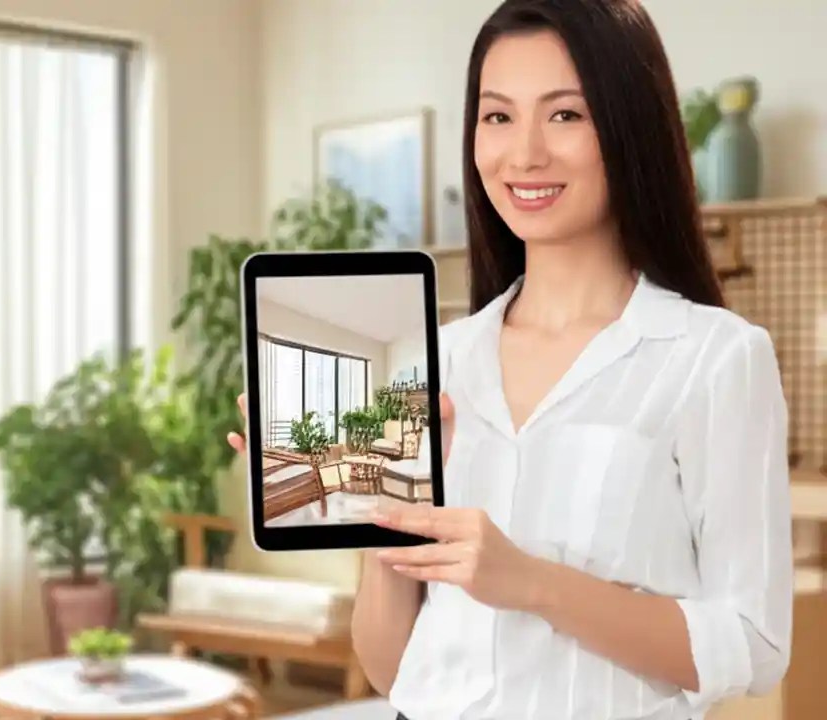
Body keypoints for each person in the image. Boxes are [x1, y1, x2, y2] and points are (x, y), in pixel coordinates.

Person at [227, 1, 793, 718]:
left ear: (629, 128)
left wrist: (531, 582)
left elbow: (754, 643)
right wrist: (378, 521)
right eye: (497, 117)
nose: (523, 153)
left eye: (565, 115)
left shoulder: (715, 359)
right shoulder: (436, 360)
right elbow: (395, 670)